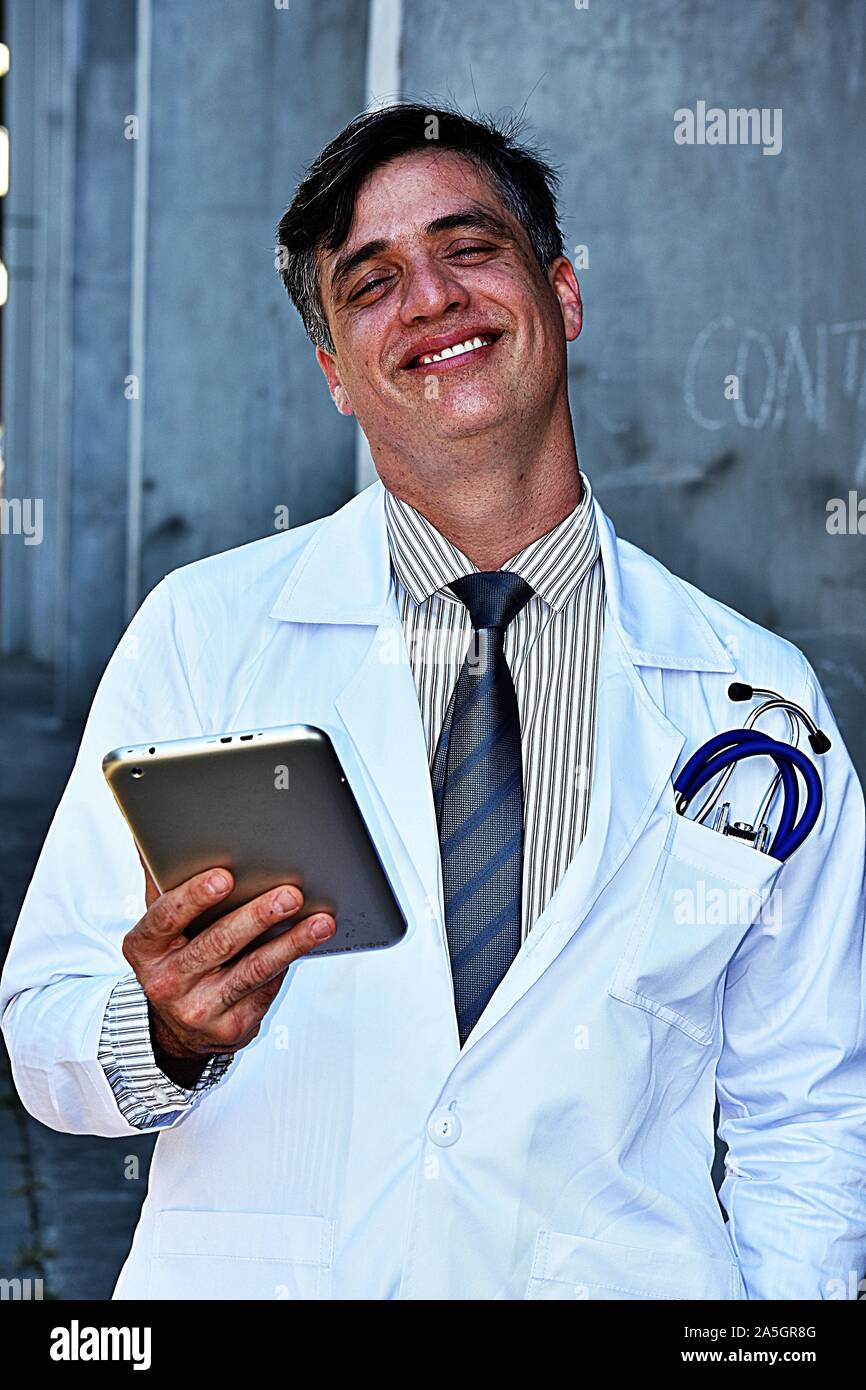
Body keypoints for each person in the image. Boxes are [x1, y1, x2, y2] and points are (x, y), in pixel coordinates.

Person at [2, 103, 865, 1301]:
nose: (431, 299)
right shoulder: (201, 636)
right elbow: (44, 1032)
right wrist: (164, 1032)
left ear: (559, 295)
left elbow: (811, 1107)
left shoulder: (756, 698)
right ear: (336, 377)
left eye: (469, 249)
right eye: (370, 284)